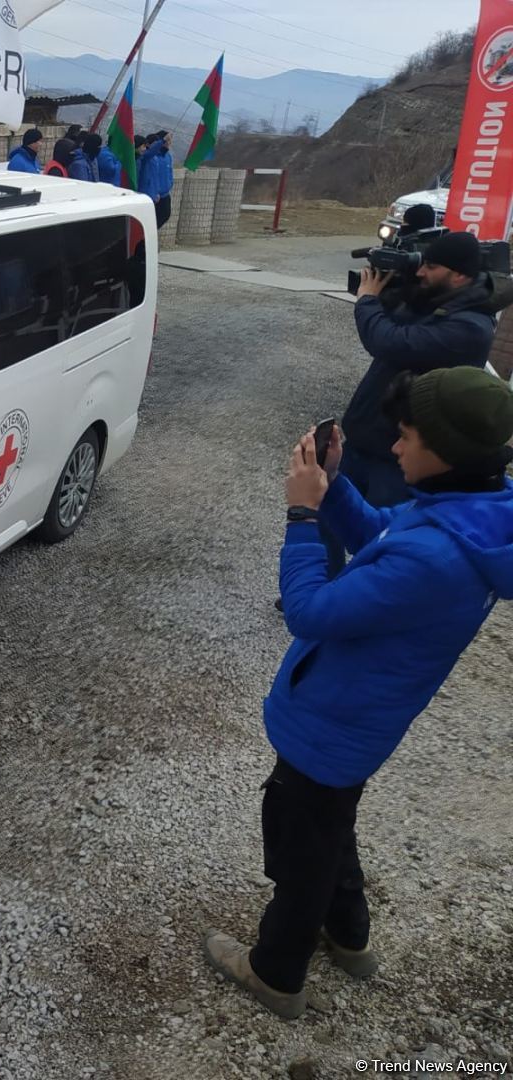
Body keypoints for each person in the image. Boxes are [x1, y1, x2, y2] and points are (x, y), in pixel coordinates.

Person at [205, 366, 513, 1020]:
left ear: (448, 452)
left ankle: (276, 973)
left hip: (332, 724)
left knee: (301, 851)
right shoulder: (475, 512)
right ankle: (350, 938)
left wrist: (300, 513)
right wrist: (337, 485)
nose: (395, 448)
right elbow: (379, 536)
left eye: (407, 437)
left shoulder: (436, 557)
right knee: (329, 827)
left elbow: (311, 611)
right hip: (359, 722)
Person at [326, 231, 513, 573]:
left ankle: (358, 598)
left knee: (382, 534)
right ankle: (326, 576)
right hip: (367, 434)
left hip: (403, 452)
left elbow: (391, 342)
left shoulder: (471, 326)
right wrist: (397, 279)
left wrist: (367, 300)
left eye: (431, 266)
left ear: (459, 274)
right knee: (333, 512)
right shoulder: (435, 296)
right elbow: (395, 313)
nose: (422, 272)